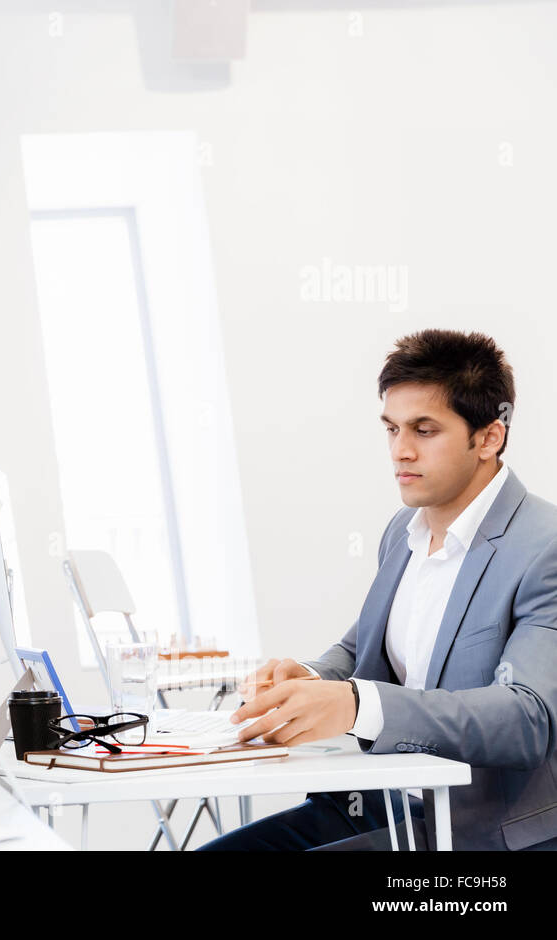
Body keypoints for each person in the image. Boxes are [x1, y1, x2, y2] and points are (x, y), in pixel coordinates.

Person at [201, 328, 557, 851]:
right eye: (391, 429)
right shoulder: (403, 531)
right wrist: (305, 677)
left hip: (476, 832)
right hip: (378, 802)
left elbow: (527, 718)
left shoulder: (543, 547)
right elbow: (364, 649)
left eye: (424, 430)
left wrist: (355, 704)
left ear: (488, 437)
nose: (400, 451)